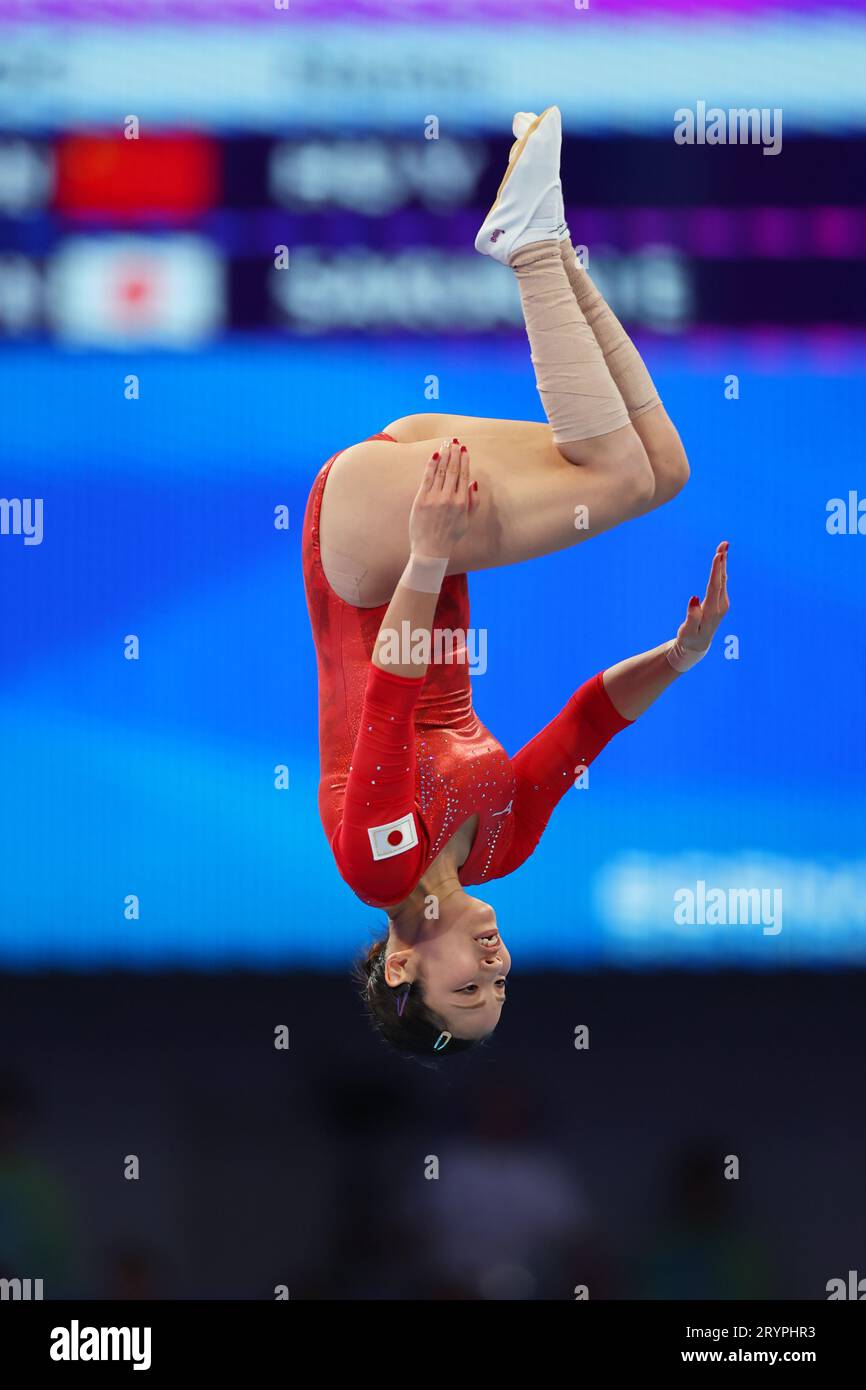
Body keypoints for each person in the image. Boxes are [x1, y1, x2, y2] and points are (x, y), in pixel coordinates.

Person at [302, 108, 729, 1056]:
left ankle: (529, 244)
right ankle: (559, 250)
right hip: (426, 542)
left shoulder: (377, 870)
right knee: (658, 469)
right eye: (502, 985)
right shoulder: (502, 846)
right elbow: (586, 724)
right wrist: (681, 656)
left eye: (469, 988)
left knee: (615, 478)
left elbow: (387, 699)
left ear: (404, 967)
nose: (495, 965)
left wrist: (422, 551)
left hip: (373, 560)